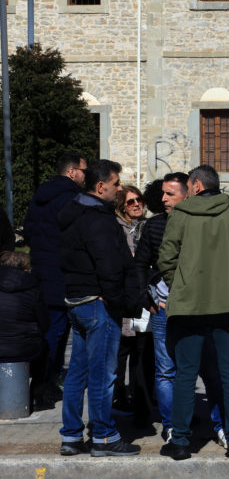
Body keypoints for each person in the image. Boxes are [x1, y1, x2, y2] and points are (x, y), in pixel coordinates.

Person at [157, 165, 229, 460]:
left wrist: (180, 286)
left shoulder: (180, 214)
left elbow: (166, 258)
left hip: (189, 307)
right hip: (227, 306)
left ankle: (180, 442)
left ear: (196, 186)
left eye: (189, 186)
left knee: (185, 375)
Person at [135, 172, 227, 446]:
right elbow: (141, 263)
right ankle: (173, 426)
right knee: (166, 370)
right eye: (162, 193)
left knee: (210, 368)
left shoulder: (204, 223)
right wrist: (147, 294)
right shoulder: (154, 227)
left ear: (189, 193)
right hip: (165, 308)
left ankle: (221, 425)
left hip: (203, 308)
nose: (162, 199)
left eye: (170, 194)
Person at [57, 158, 140, 457]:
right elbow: (109, 264)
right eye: (117, 184)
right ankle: (104, 436)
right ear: (101, 186)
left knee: (78, 373)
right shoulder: (98, 219)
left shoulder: (72, 214)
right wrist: (114, 298)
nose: (120, 190)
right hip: (96, 304)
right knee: (103, 375)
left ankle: (70, 435)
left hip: (78, 302)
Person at [23, 152, 86, 407]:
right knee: (56, 335)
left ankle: (45, 382)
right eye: (83, 170)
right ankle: (44, 386)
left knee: (50, 332)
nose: (86, 175)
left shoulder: (40, 197)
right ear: (71, 172)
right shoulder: (71, 199)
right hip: (62, 277)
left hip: (42, 274)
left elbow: (29, 231)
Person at [112, 185, 152, 422]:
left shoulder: (148, 226)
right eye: (130, 202)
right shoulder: (116, 229)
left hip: (144, 298)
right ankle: (118, 394)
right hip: (125, 298)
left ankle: (141, 397)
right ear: (121, 207)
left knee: (142, 348)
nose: (137, 204)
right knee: (123, 348)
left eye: (139, 200)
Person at [0, 250, 50, 408]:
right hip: (24, 347)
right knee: (44, 351)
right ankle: (36, 395)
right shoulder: (32, 287)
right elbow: (45, 324)